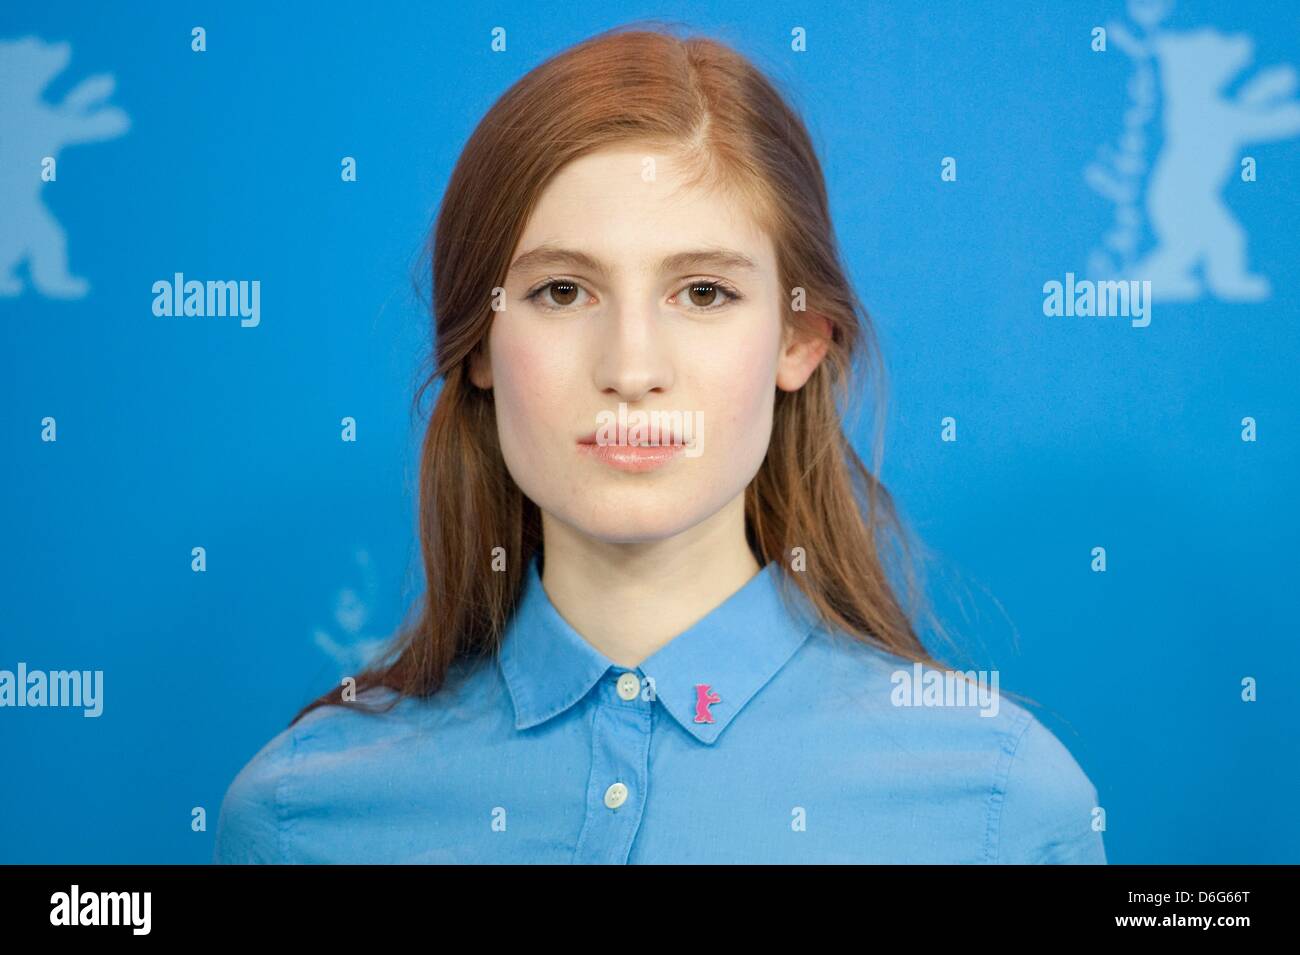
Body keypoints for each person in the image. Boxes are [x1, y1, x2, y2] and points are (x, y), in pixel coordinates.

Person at [213, 23, 1106, 864]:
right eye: (563, 292)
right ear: (478, 345)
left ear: (800, 338)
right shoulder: (300, 817)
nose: (631, 369)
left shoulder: (1000, 811)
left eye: (704, 293)